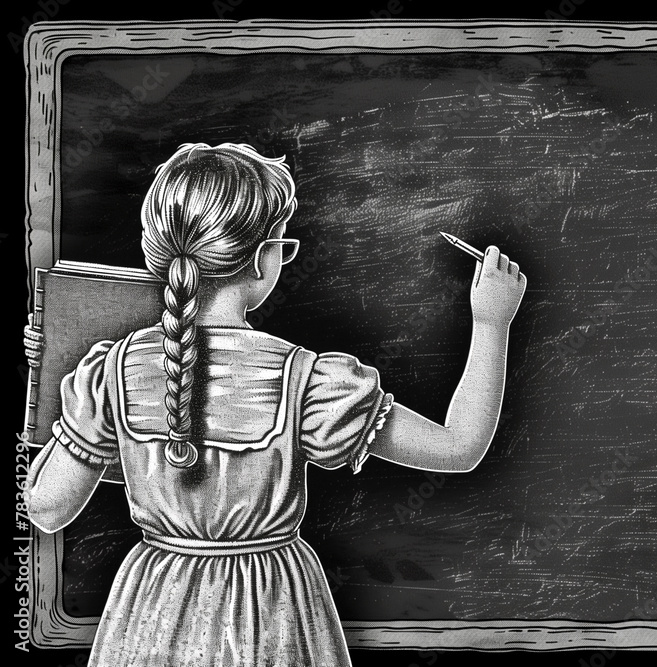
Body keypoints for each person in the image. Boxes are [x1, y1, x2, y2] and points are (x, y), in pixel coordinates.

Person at [24, 143, 526, 666]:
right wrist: (491, 322)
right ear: (264, 259)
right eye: (283, 247)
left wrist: (47, 385)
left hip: (153, 611)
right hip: (274, 612)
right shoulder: (306, 381)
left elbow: (47, 507)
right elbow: (460, 447)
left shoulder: (112, 370)